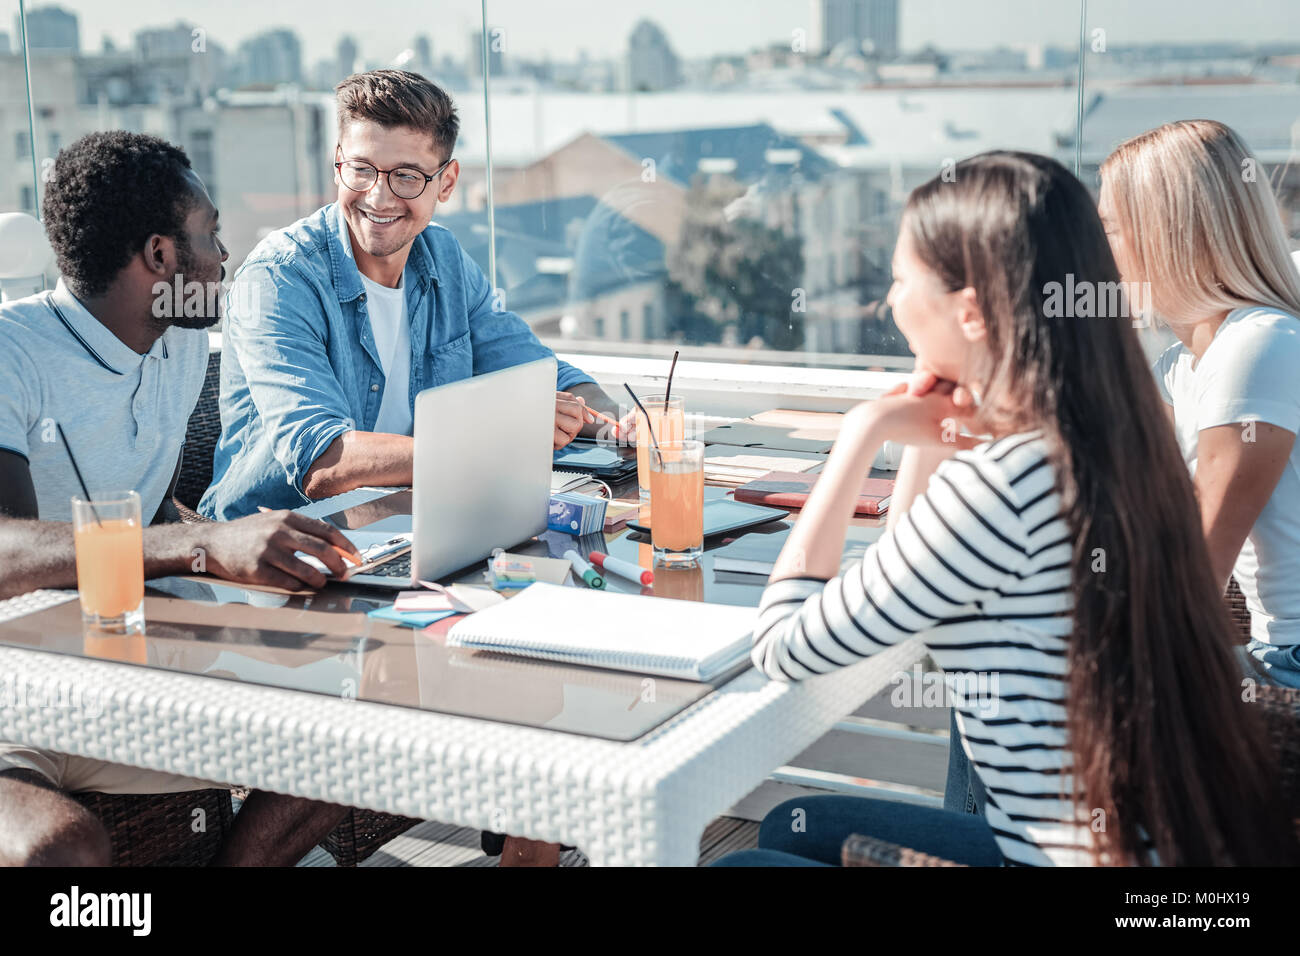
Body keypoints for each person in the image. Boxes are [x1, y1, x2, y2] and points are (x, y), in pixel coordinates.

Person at [714, 151, 1296, 866]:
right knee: (791, 827)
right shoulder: (1115, 440)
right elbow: (913, 563)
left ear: (968, 310)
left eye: (901, 280)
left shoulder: (1003, 484)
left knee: (747, 861)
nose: (888, 303)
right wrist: (937, 431)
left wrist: (860, 436)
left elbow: (781, 649)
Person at [0, 131, 362, 865]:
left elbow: (156, 513)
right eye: (212, 233)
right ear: (161, 257)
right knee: (60, 852)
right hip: (15, 694)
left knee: (367, 709)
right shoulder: (14, 352)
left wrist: (257, 562)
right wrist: (203, 545)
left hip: (123, 670)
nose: (225, 257)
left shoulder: (180, 341)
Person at [200, 70, 623, 520]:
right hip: (272, 555)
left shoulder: (444, 257)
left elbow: (542, 375)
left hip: (414, 524)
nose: (379, 198)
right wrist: (497, 438)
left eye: (406, 176)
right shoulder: (279, 279)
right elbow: (323, 463)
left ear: (446, 181)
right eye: (361, 170)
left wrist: (620, 423)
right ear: (338, 163)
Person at [1099, 119, 1300, 689]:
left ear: (1165, 233)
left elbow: (1194, 566)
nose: (1099, 251)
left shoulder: (1258, 348)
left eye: (1110, 229)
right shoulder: (1182, 368)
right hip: (1270, 650)